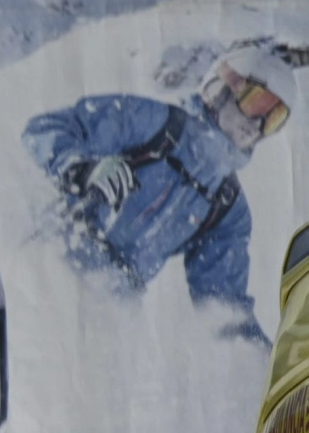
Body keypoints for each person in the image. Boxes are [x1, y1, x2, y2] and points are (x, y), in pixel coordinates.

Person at [25, 43, 296, 344]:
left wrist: (269, 374)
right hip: (49, 267)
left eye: (274, 118)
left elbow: (224, 310)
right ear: (222, 88)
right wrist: (80, 168)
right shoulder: (154, 125)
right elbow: (47, 128)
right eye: (258, 103)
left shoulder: (227, 207)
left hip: (109, 311)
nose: (258, 125)